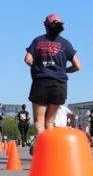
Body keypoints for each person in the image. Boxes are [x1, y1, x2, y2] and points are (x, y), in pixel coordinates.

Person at [25, 13, 81, 154]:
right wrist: (64, 70)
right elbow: (78, 66)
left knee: (39, 121)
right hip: (59, 84)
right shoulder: (65, 44)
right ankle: (51, 150)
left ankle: (43, 148)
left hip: (41, 82)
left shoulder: (38, 41)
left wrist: (37, 67)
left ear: (45, 26)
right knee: (50, 121)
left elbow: (27, 59)